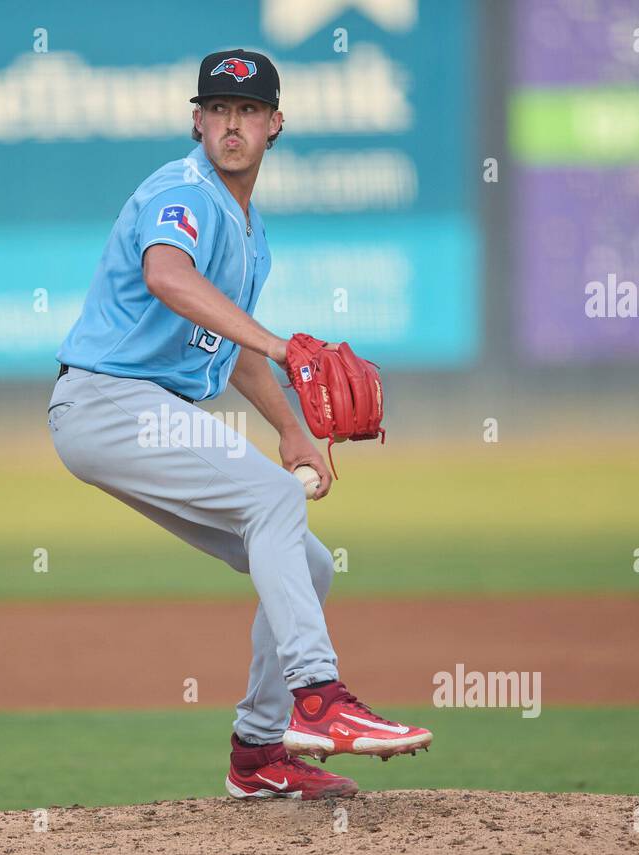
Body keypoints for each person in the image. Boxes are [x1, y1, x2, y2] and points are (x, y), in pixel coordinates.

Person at [48, 49, 431, 800]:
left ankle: (258, 756)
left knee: (305, 561)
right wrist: (283, 345)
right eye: (218, 110)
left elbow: (225, 341)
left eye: (248, 111)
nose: (232, 124)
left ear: (274, 125)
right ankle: (320, 700)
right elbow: (168, 276)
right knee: (274, 502)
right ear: (197, 121)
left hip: (136, 411)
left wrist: (290, 429)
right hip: (109, 401)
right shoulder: (181, 188)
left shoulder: (249, 232)